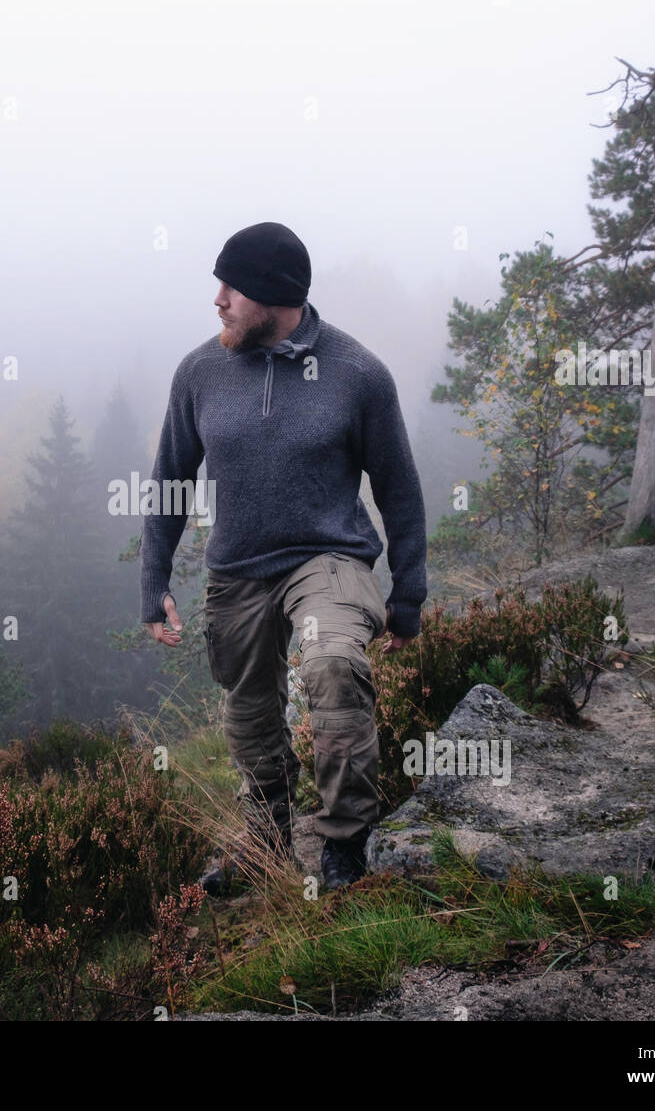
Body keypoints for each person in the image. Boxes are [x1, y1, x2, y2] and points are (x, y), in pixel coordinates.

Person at [141, 221, 427, 892]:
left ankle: (344, 841)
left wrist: (407, 594)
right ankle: (265, 839)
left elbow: (399, 488)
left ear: (274, 296)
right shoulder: (200, 371)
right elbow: (170, 481)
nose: (218, 300)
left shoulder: (358, 374)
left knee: (331, 666)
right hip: (237, 569)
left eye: (231, 287)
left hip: (328, 561)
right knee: (248, 712)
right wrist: (154, 578)